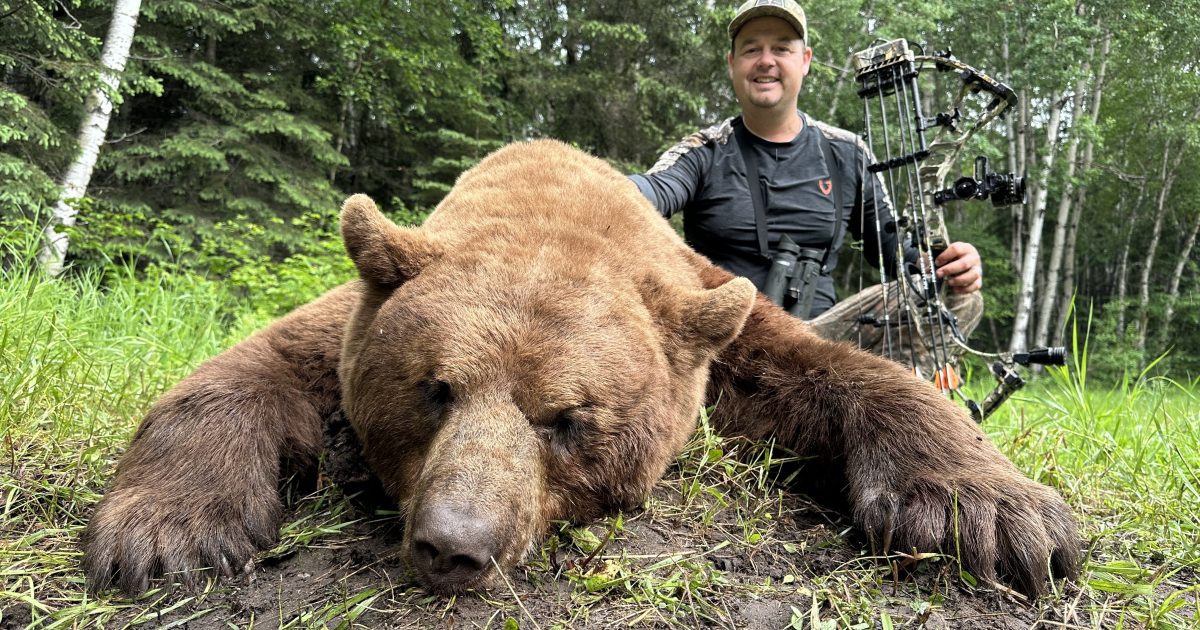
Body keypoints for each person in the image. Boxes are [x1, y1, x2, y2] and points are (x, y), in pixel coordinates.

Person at [629, 0, 984, 375]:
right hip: (733, 348)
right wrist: (587, 184)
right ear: (733, 64)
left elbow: (895, 250)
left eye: (781, 48)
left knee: (957, 296)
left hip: (826, 340)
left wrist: (951, 264)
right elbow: (646, 193)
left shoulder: (847, 153)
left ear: (806, 60)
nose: (766, 60)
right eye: (752, 49)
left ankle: (902, 407)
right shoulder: (705, 151)